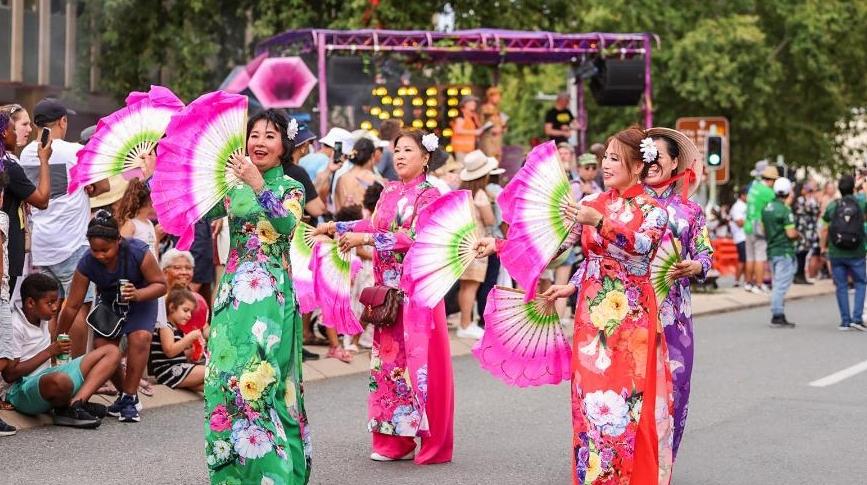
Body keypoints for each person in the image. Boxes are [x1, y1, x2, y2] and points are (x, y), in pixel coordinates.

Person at [477, 127, 673, 483]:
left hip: (631, 318)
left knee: (624, 399)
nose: (606, 164)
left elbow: (643, 248)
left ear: (638, 165)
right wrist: (499, 246)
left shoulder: (654, 209)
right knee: (590, 399)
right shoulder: (592, 204)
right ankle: (592, 477)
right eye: (605, 157)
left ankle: (626, 476)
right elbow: (554, 248)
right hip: (589, 316)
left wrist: (600, 223)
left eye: (615, 158)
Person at [315, 129, 453, 464]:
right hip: (387, 295)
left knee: (418, 367)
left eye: (409, 150)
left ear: (425, 157)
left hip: (417, 294)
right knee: (388, 367)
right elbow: (373, 225)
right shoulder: (389, 190)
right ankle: (394, 440)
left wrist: (363, 241)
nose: (401, 155)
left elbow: (412, 237)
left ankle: (429, 439)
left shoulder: (429, 195)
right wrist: (338, 228)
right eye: (397, 149)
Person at [203, 109, 311, 483]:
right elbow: (195, 211)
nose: (259, 142)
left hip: (270, 297)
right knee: (222, 380)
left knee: (262, 384)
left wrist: (258, 185)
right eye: (254, 135)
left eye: (269, 135)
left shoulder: (290, 187)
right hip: (233, 294)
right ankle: (233, 474)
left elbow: (285, 225)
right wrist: (155, 175)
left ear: (285, 146)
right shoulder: (232, 186)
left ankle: (276, 475)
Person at [642, 127, 713, 462]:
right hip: (630, 312)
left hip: (675, 317)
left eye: (659, 156)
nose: (652, 162)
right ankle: (631, 461)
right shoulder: (625, 203)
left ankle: (661, 462)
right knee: (633, 390)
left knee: (674, 389)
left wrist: (695, 267)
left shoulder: (691, 210)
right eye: (647, 155)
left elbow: (705, 253)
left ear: (674, 163)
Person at [20, 98, 110, 357]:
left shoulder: (27, 153)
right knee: (80, 307)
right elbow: (103, 186)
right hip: (73, 246)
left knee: (52, 308)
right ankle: (75, 369)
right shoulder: (74, 151)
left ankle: (53, 366)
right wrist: (85, 187)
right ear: (62, 121)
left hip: (41, 246)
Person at [58, 211, 165, 422]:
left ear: (118, 240)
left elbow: (161, 285)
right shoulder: (86, 262)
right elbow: (72, 305)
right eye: (94, 249)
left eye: (105, 250)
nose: (99, 255)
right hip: (109, 304)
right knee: (104, 347)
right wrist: (59, 335)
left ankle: (128, 397)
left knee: (139, 337)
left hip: (142, 298)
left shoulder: (138, 252)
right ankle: (126, 394)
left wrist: (137, 294)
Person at [1, 273, 122, 429]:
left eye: (56, 302)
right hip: (20, 390)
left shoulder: (43, 318)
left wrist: (57, 354)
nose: (55, 307)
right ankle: (65, 407)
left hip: (46, 378)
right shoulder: (15, 325)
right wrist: (49, 352)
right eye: (49, 303)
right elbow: (9, 374)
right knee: (61, 380)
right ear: (30, 303)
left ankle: (75, 404)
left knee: (111, 351)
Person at [0, 105, 52, 292]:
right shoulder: (8, 166)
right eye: (22, 125)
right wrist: (44, 159)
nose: (30, 130)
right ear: (5, 132)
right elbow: (42, 200)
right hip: (6, 253)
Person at [457, 150, 500, 340]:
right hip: (478, 243)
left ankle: (465, 322)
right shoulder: (481, 193)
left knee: (465, 285)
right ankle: (465, 324)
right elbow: (490, 220)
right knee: (472, 286)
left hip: (464, 242)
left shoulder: (463, 192)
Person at [820, 175, 867, 331]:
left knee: (841, 286)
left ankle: (845, 321)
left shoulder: (833, 206)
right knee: (860, 283)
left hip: (837, 251)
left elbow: (825, 227)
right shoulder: (861, 203)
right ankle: (857, 318)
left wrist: (822, 247)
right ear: (853, 188)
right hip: (856, 251)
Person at [149, 287, 205, 391]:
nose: (189, 315)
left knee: (209, 386)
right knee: (210, 372)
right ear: (172, 307)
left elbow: (178, 355)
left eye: (191, 312)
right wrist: (189, 337)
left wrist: (193, 351)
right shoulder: (166, 327)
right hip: (167, 372)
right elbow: (169, 351)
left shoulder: (176, 329)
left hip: (176, 369)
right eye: (185, 310)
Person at [160, 249, 210, 361]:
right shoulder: (158, 297)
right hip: (164, 357)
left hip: (189, 356)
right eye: (177, 268)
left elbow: (204, 327)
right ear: (164, 271)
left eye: (188, 268)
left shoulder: (193, 299)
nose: (184, 272)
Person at [762, 177, 799, 327]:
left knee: (778, 282)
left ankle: (779, 312)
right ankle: (777, 314)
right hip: (784, 250)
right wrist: (799, 234)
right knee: (781, 285)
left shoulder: (766, 208)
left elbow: (764, 229)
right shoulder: (785, 210)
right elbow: (791, 233)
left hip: (772, 249)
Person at [743, 165, 779, 294]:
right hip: (759, 227)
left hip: (748, 225)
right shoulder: (768, 192)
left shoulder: (754, 187)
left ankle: (748, 283)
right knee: (760, 257)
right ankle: (758, 284)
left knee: (750, 257)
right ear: (771, 180)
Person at [283, 123, 326, 219]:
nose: (310, 145)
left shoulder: (280, 168)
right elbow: (317, 209)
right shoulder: (297, 172)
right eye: (310, 142)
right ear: (304, 145)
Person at [334, 137, 381, 211]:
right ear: (372, 156)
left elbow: (338, 209)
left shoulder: (341, 178)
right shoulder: (374, 179)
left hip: (343, 221)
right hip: (366, 222)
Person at [117, 178, 157, 256]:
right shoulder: (131, 224)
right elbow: (121, 253)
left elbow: (153, 253)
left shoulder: (149, 223)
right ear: (150, 201)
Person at [792, 181, 820, 284]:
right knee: (801, 253)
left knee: (803, 253)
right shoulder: (800, 200)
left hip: (808, 231)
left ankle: (801, 275)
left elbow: (816, 209)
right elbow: (811, 209)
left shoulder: (807, 199)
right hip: (802, 231)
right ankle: (799, 276)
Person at [451, 96, 482, 163]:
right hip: (461, 149)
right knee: (461, 169)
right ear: (464, 105)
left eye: (474, 102)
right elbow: (458, 130)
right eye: (471, 102)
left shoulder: (471, 117)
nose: (474, 104)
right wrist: (475, 132)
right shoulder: (461, 117)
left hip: (469, 149)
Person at [479, 86, 506, 160]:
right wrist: (491, 128)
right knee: (490, 161)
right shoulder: (484, 109)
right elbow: (480, 124)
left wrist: (503, 126)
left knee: (498, 159)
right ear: (490, 97)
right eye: (496, 96)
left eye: (499, 97)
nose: (499, 99)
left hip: (498, 139)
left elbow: (503, 124)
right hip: (489, 139)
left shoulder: (498, 110)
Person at [729, 187, 748, 287]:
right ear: (743, 195)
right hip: (741, 237)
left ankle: (746, 280)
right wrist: (752, 220)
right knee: (743, 259)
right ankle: (737, 280)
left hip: (745, 236)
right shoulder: (737, 207)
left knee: (746, 260)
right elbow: (739, 222)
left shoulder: (745, 205)